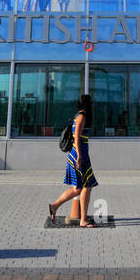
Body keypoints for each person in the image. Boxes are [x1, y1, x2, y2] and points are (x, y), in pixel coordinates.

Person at [48, 95, 99, 228]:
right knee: (86, 186)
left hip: (80, 154)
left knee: (79, 188)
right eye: (91, 103)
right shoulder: (82, 116)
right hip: (79, 155)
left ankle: (54, 206)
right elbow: (76, 137)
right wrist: (79, 156)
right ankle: (82, 219)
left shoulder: (80, 115)